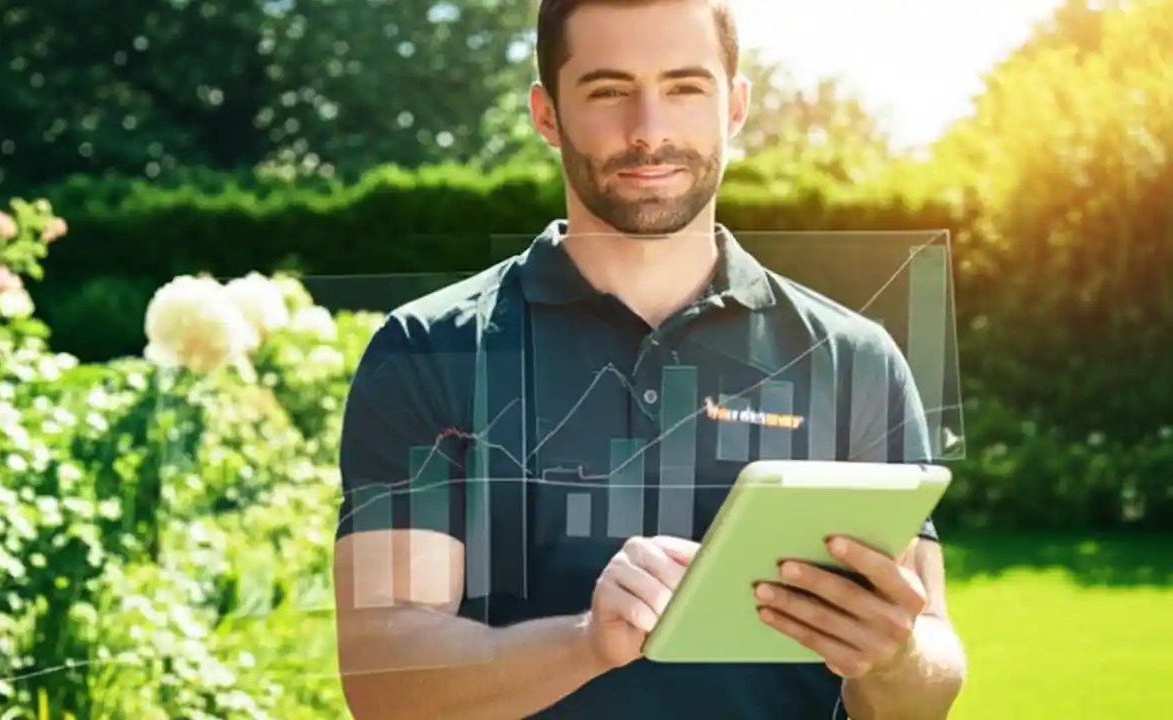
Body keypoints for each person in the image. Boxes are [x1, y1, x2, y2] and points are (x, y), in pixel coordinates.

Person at [332, 0, 968, 717]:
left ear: (735, 106)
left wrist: (898, 656)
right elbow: (383, 680)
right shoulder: (430, 351)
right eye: (608, 91)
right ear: (548, 114)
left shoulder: (853, 360)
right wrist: (586, 642)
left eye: (684, 87)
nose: (649, 130)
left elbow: (929, 677)